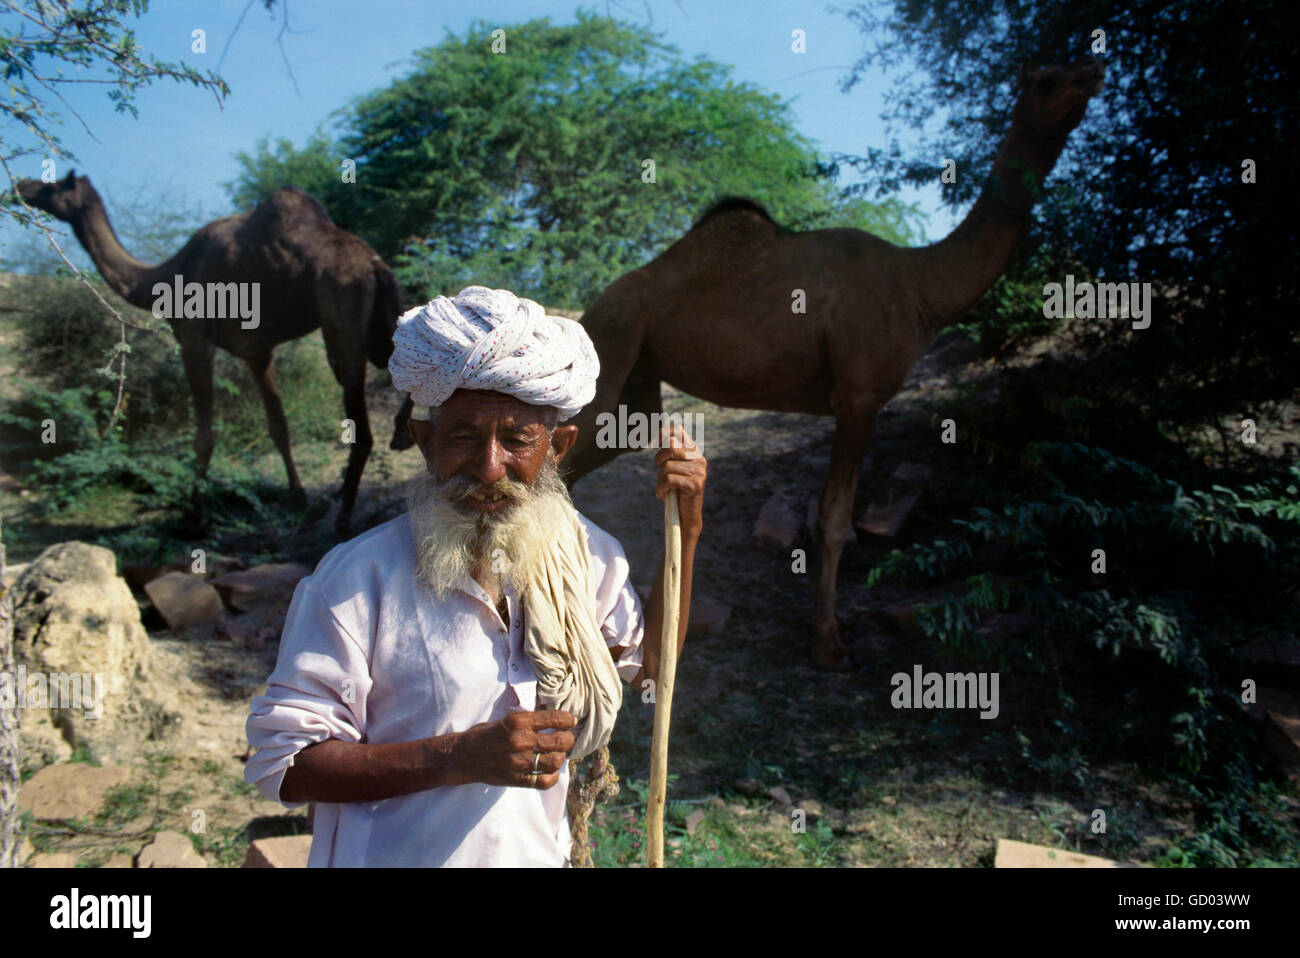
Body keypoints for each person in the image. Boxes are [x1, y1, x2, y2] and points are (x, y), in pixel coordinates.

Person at [243, 285, 706, 866]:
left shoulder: (592, 560)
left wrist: (685, 532)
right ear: (424, 440)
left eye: (517, 439)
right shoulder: (357, 580)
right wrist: (457, 758)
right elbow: (282, 765)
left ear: (558, 446)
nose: (490, 468)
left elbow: (651, 676)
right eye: (463, 436)